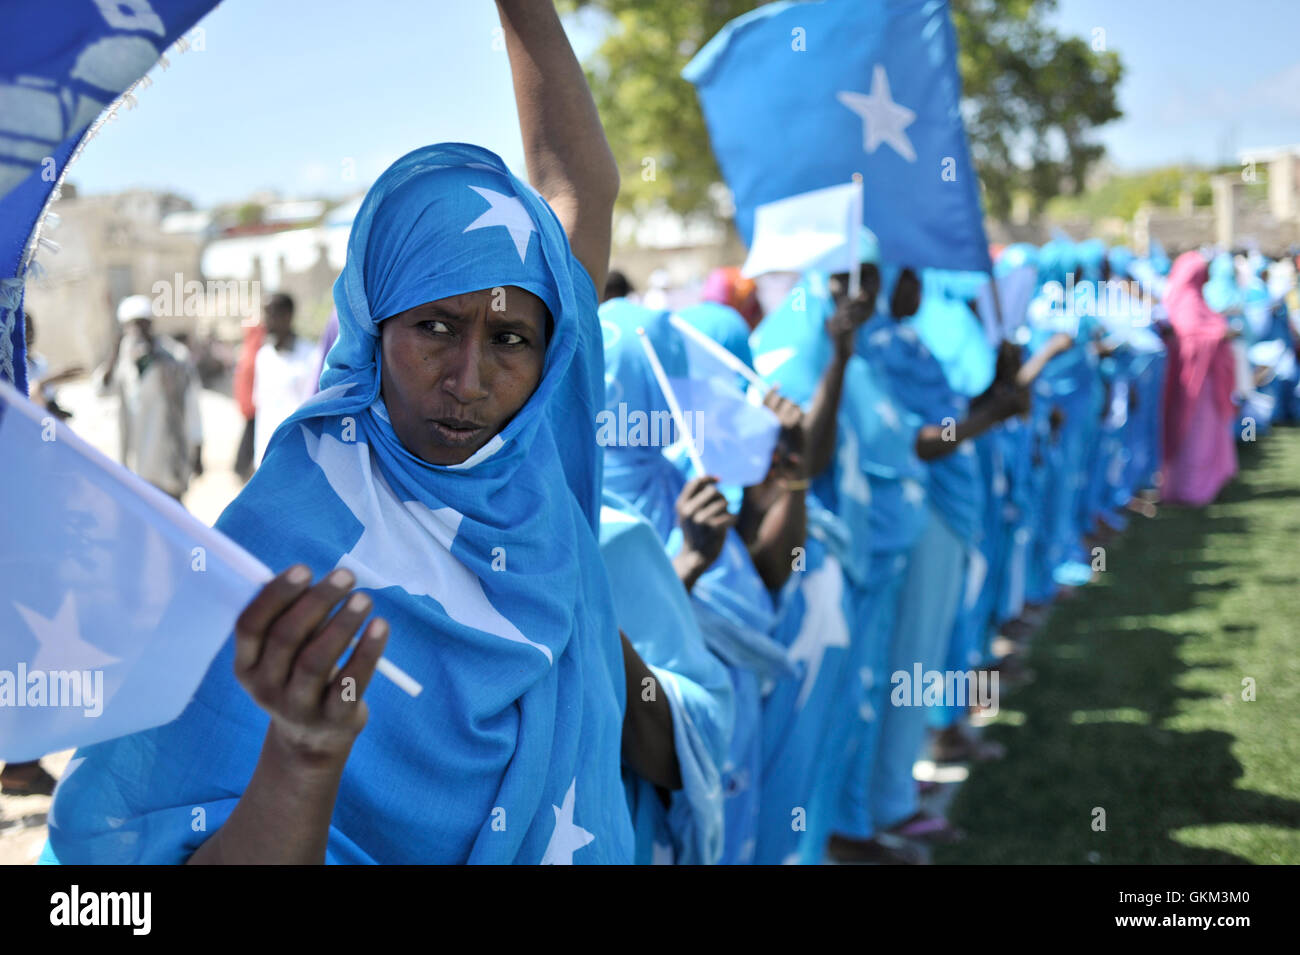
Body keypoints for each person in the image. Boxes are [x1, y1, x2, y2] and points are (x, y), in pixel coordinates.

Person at [48, 0, 669, 865]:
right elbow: (160, 849)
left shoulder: (535, 452)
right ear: (373, 327)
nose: (471, 379)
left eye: (510, 340)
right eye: (435, 329)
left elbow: (579, 186)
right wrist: (302, 754)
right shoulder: (285, 539)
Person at [96, 294, 204, 501]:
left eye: (142, 324)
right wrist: (114, 354)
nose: (137, 331)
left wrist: (197, 448)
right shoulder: (122, 358)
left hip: (167, 455)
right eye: (131, 326)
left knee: (172, 519)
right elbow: (102, 390)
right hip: (136, 458)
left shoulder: (175, 357)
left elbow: (192, 405)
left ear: (151, 325)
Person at [1160, 252, 1238, 506]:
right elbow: (1189, 339)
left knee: (1203, 433)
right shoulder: (1185, 302)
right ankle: (1191, 489)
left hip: (1204, 381)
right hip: (1193, 383)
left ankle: (1205, 484)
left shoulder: (1194, 300)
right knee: (1193, 434)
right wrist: (1219, 334)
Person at [251, 293, 318, 468]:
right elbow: (261, 408)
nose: (265, 320)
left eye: (271, 313)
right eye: (265, 313)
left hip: (298, 456)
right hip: (266, 456)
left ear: (287, 315)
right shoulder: (263, 356)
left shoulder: (312, 355)